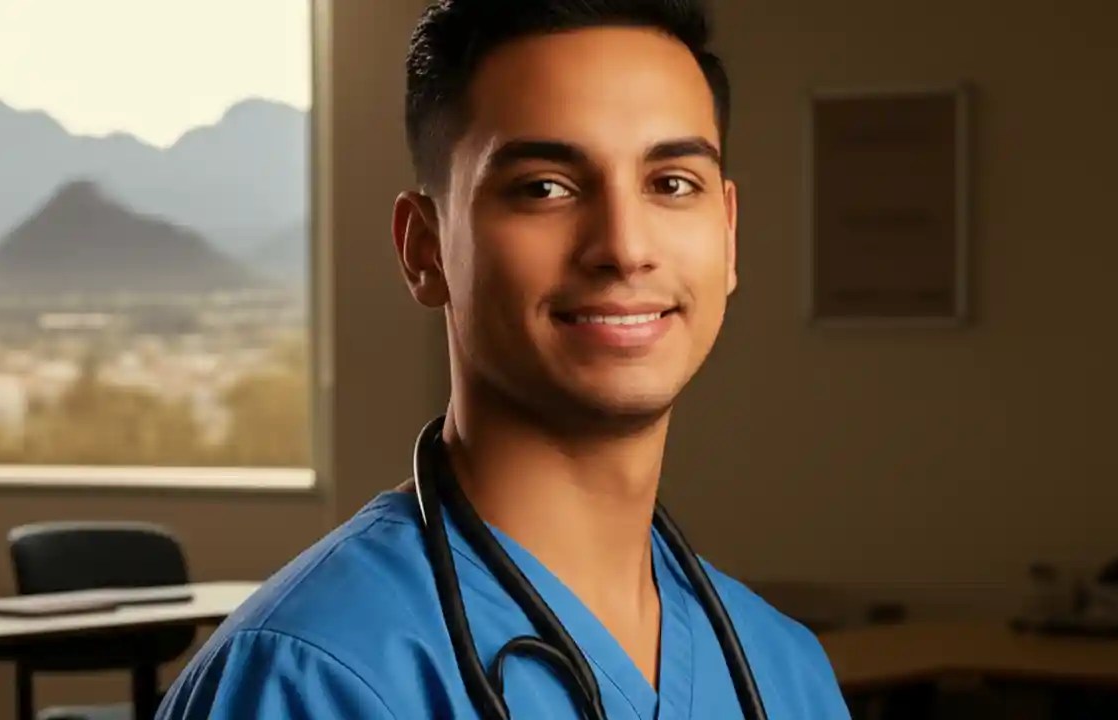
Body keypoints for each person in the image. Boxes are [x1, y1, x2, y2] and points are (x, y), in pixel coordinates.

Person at [157, 0, 851, 717]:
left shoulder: (783, 672)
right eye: (544, 188)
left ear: (729, 235)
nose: (624, 247)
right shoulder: (309, 679)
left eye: (671, 183)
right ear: (423, 249)